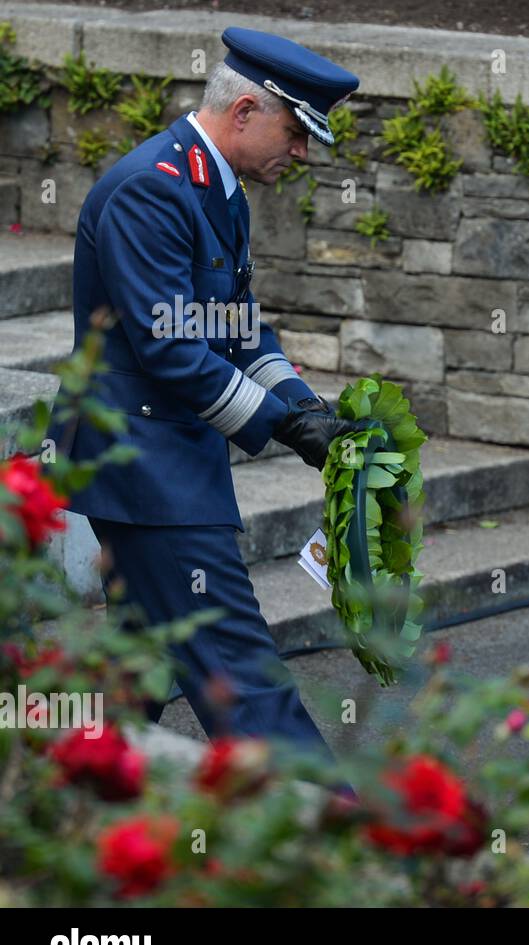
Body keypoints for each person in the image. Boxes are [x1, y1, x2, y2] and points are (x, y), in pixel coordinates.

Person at [48, 27, 368, 766]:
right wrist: (283, 426)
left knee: (142, 663)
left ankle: (59, 810)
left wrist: (306, 407)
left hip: (167, 460)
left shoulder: (216, 187)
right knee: (241, 676)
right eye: (297, 133)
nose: (303, 154)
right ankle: (334, 849)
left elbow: (239, 328)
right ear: (246, 109)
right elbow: (171, 352)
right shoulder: (152, 190)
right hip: (144, 471)